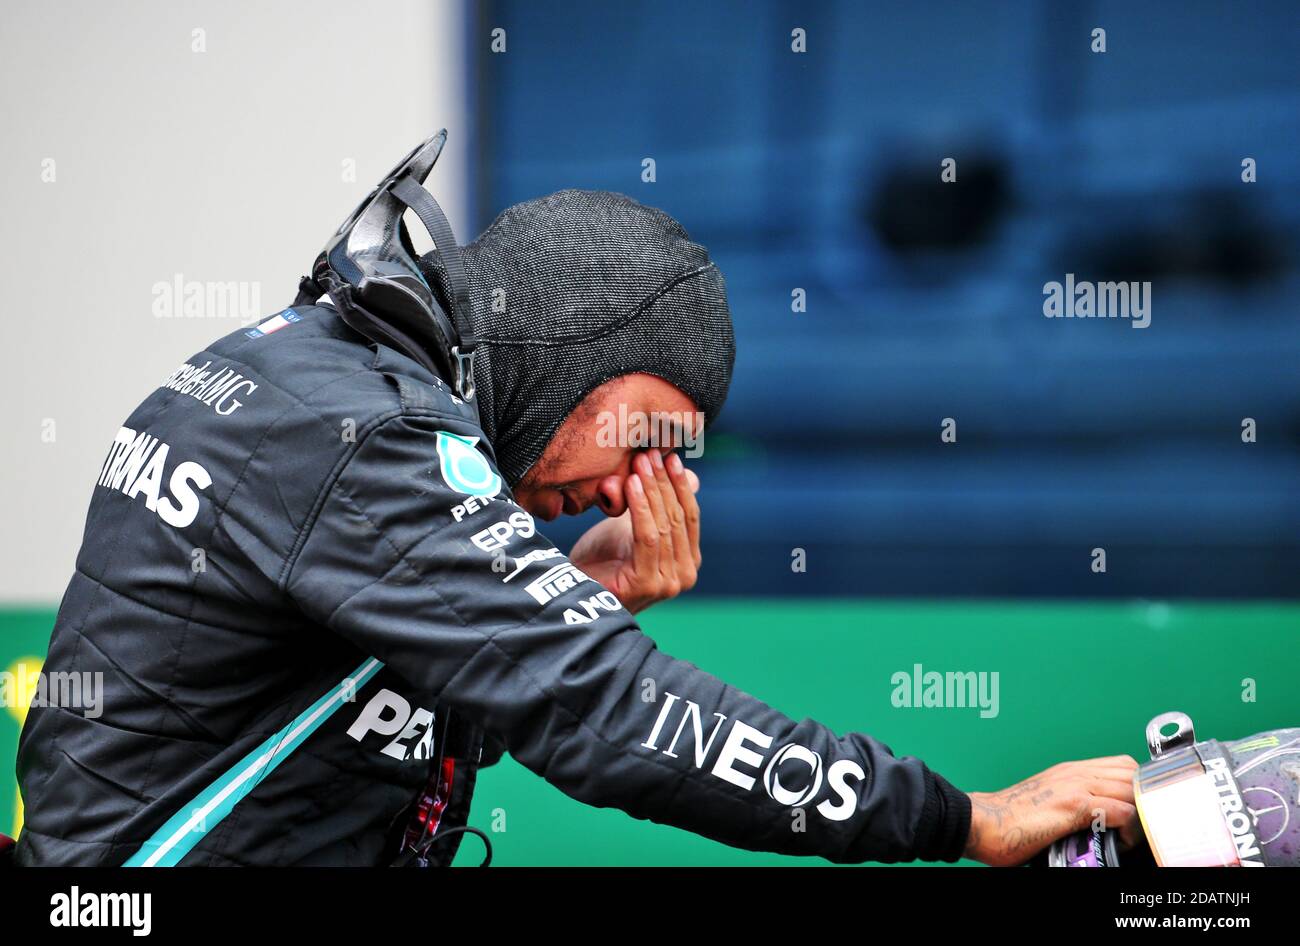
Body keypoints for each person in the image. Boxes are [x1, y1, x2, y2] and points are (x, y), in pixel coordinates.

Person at [11, 137, 1139, 866]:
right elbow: (609, 716)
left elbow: (318, 714)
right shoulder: (372, 429)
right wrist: (961, 815)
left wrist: (577, 591)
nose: (633, 485)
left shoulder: (313, 368)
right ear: (567, 351)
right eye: (643, 431)